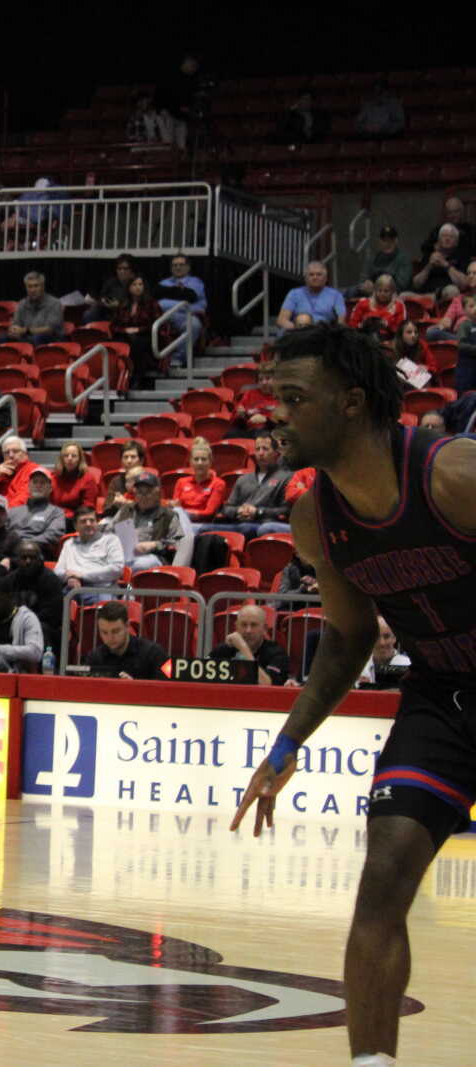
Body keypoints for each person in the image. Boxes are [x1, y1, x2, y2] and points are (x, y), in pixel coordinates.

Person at [222, 321, 476, 1065]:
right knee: (382, 880)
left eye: (295, 398)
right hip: (441, 697)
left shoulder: (454, 476)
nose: (277, 415)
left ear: (352, 403)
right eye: (275, 398)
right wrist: (288, 739)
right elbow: (347, 635)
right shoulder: (315, 520)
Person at [199, 431, 292, 538]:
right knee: (200, 529)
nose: (261, 453)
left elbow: (286, 510)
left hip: (263, 524)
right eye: (257, 449)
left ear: (276, 453)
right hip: (237, 524)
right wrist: (239, 510)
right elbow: (227, 508)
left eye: (265, 449)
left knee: (247, 528)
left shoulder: (286, 478)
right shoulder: (244, 479)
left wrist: (258, 512)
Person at [108, 471, 184, 571]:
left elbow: (179, 543)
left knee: (137, 565)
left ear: (157, 493)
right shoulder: (126, 510)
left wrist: (154, 545)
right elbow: (108, 531)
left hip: (152, 557)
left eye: (148, 492)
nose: (143, 496)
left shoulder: (168, 515)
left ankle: (129, 587)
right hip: (123, 554)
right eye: (139, 492)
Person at [207, 603, 289, 686]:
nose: (248, 631)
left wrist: (243, 648)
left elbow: (267, 685)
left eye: (254, 625)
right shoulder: (223, 649)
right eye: (243, 625)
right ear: (236, 627)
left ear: (264, 629)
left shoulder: (277, 654)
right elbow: (200, 677)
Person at [83, 600, 168, 679]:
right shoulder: (95, 658)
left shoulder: (153, 653)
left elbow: (164, 690)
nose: (110, 638)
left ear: (127, 626)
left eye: (115, 631)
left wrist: (132, 687)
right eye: (104, 632)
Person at [55, 506, 125, 602]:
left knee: (104, 605)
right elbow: (58, 571)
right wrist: (70, 578)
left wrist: (82, 576)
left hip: (100, 589)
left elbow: (117, 569)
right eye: (83, 521)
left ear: (97, 523)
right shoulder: (69, 544)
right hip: (72, 589)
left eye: (92, 520)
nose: (88, 524)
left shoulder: (111, 540)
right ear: (75, 526)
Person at [7, 467, 66, 557]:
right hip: (10, 553)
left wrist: (26, 543)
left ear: (50, 488)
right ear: (28, 487)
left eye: (42, 482)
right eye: (35, 482)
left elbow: (53, 535)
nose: (38, 485)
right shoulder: (13, 511)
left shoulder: (56, 512)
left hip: (38, 554)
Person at [277, 262, 347, 332]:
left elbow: (341, 322)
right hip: (298, 333)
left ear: (326, 278)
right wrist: (297, 329)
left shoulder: (336, 295)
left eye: (319, 274)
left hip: (324, 334)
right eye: (311, 275)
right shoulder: (294, 293)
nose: (315, 277)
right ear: (306, 278)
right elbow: (282, 320)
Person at [172, 437, 228, 524]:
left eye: (204, 459)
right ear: (190, 462)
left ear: (210, 462)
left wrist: (184, 513)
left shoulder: (218, 484)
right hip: (181, 523)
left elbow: (209, 513)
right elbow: (175, 507)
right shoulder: (181, 482)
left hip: (204, 525)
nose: (200, 463)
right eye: (196, 459)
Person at [4, 271, 63, 346]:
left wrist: (25, 331)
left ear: (43, 286)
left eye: (36, 286)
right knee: (3, 338)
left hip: (50, 340)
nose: (33, 290)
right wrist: (13, 330)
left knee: (37, 338)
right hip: (27, 337)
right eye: (30, 286)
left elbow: (50, 329)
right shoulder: (22, 303)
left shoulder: (55, 303)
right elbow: (16, 324)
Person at [412, 224, 470, 295]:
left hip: (446, 294)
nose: (447, 238)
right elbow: (416, 284)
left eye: (451, 236)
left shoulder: (461, 257)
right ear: (438, 240)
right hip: (426, 293)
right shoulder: (429, 255)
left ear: (456, 243)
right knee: (404, 295)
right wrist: (429, 266)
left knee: (452, 290)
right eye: (444, 236)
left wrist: (446, 265)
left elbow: (464, 284)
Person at [357, 615, 412, 690]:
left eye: (386, 636)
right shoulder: (357, 668)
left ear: (395, 637)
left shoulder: (409, 666)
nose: (382, 643)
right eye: (376, 637)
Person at [49, 442, 102, 518]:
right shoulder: (54, 478)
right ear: (61, 459)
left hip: (76, 520)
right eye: (66, 455)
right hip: (55, 518)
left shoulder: (88, 479)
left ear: (80, 459)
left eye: (74, 456)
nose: (69, 458)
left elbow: (88, 509)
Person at [347, 275, 407, 342]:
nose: (382, 294)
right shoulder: (363, 303)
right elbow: (351, 327)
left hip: (389, 341)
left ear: (392, 291)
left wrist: (387, 326)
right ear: (375, 291)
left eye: (386, 291)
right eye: (379, 290)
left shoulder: (399, 305)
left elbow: (401, 331)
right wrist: (362, 325)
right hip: (364, 340)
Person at [0, 435, 36, 507]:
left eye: (15, 451)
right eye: (6, 452)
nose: (11, 455)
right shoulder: (1, 471)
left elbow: (23, 501)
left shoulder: (33, 471)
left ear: (25, 454)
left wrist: (1, 512)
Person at [361, 226, 412, 295]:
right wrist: (366, 284)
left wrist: (376, 288)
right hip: (369, 295)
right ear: (380, 241)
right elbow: (363, 279)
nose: (388, 243)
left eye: (391, 240)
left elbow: (401, 285)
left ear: (396, 241)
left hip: (393, 296)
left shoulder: (403, 259)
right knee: (347, 292)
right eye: (384, 240)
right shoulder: (372, 258)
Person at [233, 361, 278, 435]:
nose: (264, 382)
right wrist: (241, 415)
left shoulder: (282, 396)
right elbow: (238, 419)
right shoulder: (250, 394)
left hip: (272, 432)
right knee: (231, 434)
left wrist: (266, 420)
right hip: (250, 431)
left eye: (268, 378)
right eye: (261, 379)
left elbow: (285, 422)